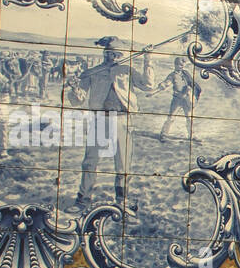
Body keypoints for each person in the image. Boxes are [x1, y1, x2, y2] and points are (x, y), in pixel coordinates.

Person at [71, 36, 154, 213]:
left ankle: (122, 200)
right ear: (104, 54)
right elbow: (76, 101)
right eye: (109, 54)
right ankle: (83, 199)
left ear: (121, 54)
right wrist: (75, 89)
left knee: (123, 163)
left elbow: (148, 85)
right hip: (99, 119)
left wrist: (148, 59)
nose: (113, 57)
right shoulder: (92, 72)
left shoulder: (127, 70)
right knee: (89, 161)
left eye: (116, 54)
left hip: (122, 120)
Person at [159, 57, 201, 139]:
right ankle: (164, 134)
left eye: (182, 65)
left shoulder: (185, 74)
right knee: (171, 117)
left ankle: (192, 135)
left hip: (186, 99)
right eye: (179, 65)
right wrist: (163, 85)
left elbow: (191, 83)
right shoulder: (172, 75)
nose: (180, 67)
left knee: (189, 118)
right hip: (177, 99)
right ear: (175, 65)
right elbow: (167, 82)